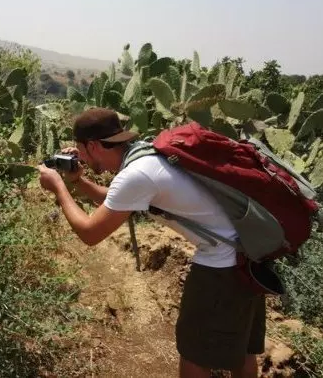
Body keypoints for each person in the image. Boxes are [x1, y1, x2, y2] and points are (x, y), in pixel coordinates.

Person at [38, 107, 265, 378]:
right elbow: (115, 200)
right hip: (249, 249)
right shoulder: (147, 154)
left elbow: (90, 234)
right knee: (241, 351)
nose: (79, 156)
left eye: (80, 149)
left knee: (194, 355)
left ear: (93, 145)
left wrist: (59, 187)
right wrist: (78, 181)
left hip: (222, 264)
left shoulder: (136, 175)